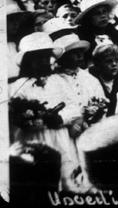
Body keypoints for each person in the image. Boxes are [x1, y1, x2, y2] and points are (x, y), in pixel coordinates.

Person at [9, 32, 82, 189]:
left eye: (45, 57)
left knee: (66, 180)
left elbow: (74, 107)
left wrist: (60, 118)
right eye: (37, 58)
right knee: (39, 184)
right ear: (28, 61)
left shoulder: (58, 81)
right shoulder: (17, 87)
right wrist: (28, 120)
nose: (43, 62)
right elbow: (13, 116)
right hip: (34, 140)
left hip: (60, 137)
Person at [89, 42, 118, 115]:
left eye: (116, 60)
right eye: (109, 61)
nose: (114, 64)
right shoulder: (90, 81)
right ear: (98, 64)